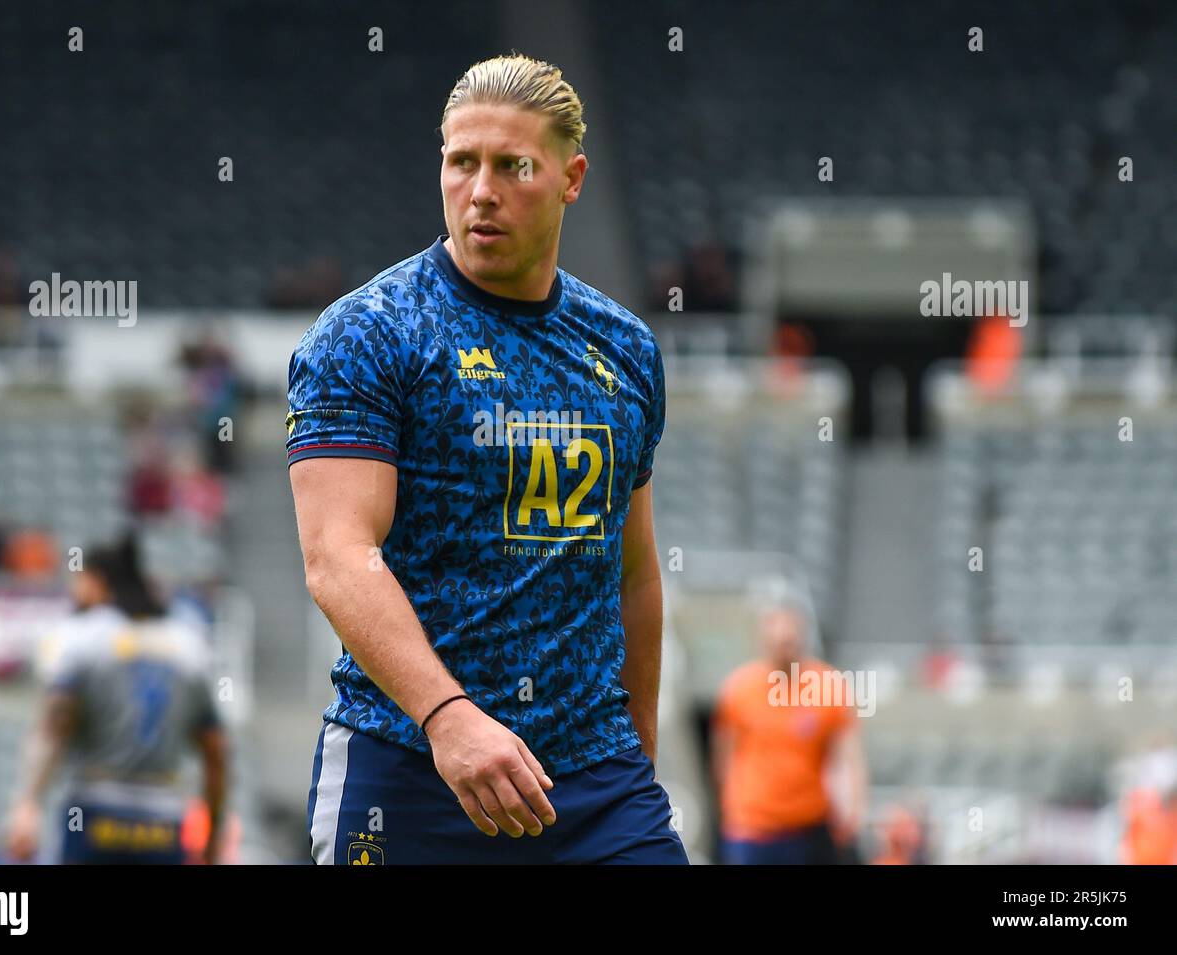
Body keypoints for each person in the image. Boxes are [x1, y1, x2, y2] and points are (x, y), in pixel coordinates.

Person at [288, 53, 685, 864]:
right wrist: (449, 717)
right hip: (411, 771)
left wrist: (638, 758)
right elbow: (338, 556)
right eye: (461, 162)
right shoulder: (370, 332)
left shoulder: (625, 348)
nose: (481, 190)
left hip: (595, 789)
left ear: (572, 178)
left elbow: (635, 571)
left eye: (513, 166)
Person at [4, 535, 228, 864]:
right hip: (162, 823)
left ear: (96, 581)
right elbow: (215, 753)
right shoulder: (189, 648)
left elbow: (55, 727)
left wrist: (27, 803)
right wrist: (213, 835)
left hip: (94, 814)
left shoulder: (82, 638)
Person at [711, 602, 867, 864]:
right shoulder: (739, 688)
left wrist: (851, 810)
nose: (784, 642)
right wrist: (730, 809)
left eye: (790, 636)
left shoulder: (828, 684)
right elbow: (722, 758)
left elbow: (847, 758)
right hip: (751, 829)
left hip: (807, 827)